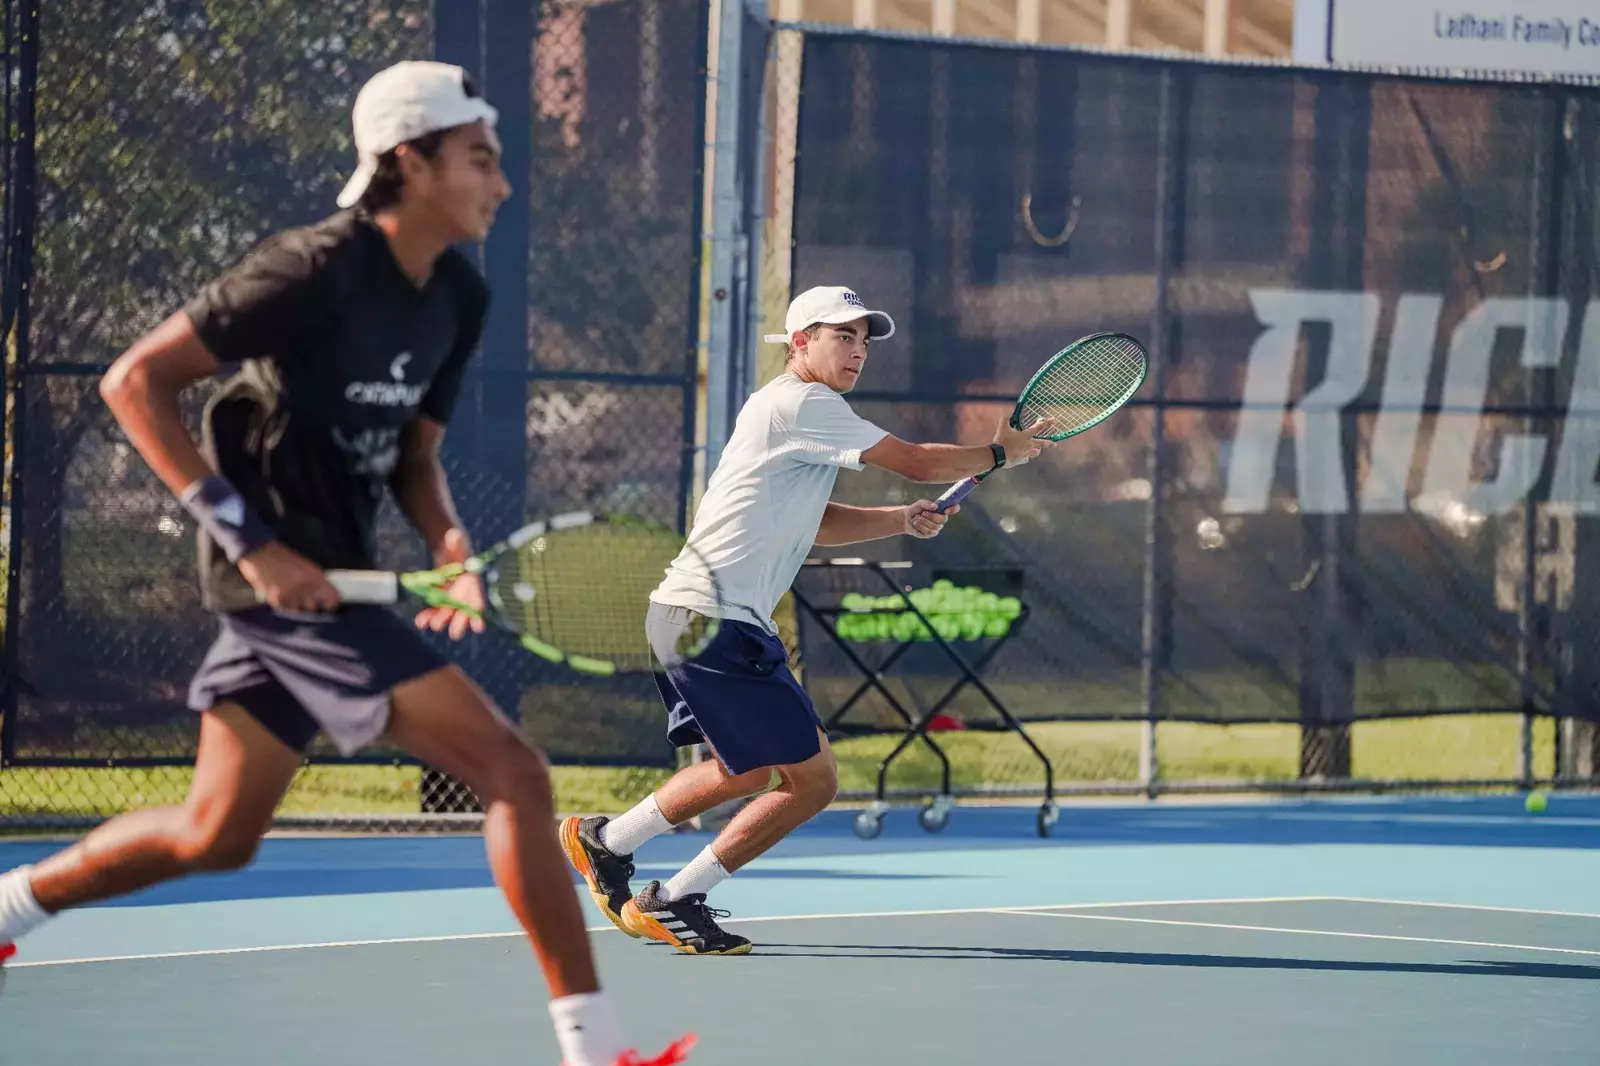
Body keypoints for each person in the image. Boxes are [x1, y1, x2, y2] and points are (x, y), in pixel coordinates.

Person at [0, 61, 693, 1066]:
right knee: (515, 773)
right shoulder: (308, 270)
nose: (500, 183)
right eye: (479, 159)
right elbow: (134, 382)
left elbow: (414, 458)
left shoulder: (458, 294)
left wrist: (450, 542)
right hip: (280, 584)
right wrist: (257, 547)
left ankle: (12, 902)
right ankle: (594, 1050)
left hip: (336, 574)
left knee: (216, 833)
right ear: (407, 162)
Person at [560, 285, 1056, 955]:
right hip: (711, 617)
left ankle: (607, 843)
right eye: (840, 335)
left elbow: (813, 520)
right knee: (811, 780)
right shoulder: (801, 403)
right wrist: (1001, 453)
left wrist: (899, 521)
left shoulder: (797, 414)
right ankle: (672, 896)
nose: (857, 350)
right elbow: (913, 462)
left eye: (863, 339)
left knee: (747, 770)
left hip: (700, 617)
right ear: (800, 342)